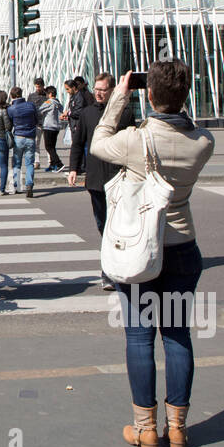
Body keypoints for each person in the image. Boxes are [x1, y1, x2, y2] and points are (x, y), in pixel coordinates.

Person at [90, 60, 214, 447]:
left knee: (140, 336)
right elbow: (186, 125)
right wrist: (174, 102)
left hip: (142, 252)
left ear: (148, 94)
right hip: (182, 247)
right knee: (177, 334)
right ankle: (177, 427)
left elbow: (98, 142)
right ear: (185, 95)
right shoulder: (203, 142)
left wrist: (120, 97)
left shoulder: (134, 140)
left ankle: (145, 430)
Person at [73, 73, 132, 291]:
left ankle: (114, 271)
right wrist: (73, 168)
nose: (98, 93)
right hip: (96, 179)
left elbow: (130, 143)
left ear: (112, 91)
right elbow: (78, 144)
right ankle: (109, 269)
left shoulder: (124, 114)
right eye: (96, 89)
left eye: (103, 90)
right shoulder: (87, 114)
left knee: (117, 227)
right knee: (103, 226)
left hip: (119, 178)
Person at [7, 86, 39, 198]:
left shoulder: (11, 109)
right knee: (30, 163)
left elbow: (9, 124)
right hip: (30, 137)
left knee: (17, 163)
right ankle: (29, 184)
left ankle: (16, 185)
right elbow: (37, 119)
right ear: (21, 94)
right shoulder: (31, 105)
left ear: (11, 95)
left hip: (18, 137)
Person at [39, 86, 64, 172]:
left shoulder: (49, 102)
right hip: (56, 127)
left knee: (48, 147)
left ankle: (59, 163)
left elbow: (39, 110)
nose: (46, 95)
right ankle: (52, 164)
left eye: (46, 93)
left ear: (50, 94)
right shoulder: (58, 102)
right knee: (52, 146)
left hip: (48, 126)